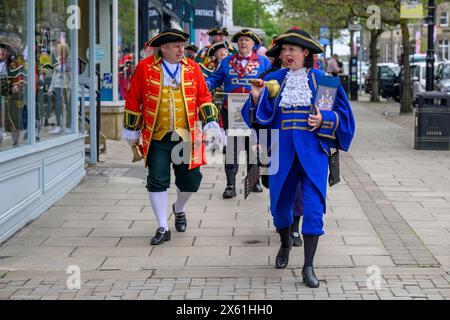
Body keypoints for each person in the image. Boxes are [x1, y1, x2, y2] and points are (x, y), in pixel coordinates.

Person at [242, 28, 355, 288]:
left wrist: (325, 119)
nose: (286, 54)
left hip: (314, 155)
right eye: (283, 50)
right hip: (281, 155)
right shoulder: (273, 79)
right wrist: (256, 97)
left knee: (314, 209)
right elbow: (257, 119)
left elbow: (346, 118)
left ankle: (308, 266)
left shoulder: (323, 82)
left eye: (291, 50)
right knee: (280, 208)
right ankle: (284, 244)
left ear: (306, 53)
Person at [121, 29, 221, 246]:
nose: (180, 50)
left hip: (186, 135)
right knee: (157, 180)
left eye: (182, 46)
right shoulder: (145, 67)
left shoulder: (192, 68)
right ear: (163, 48)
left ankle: (179, 208)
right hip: (156, 136)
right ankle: (162, 226)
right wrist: (132, 130)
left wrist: (210, 121)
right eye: (176, 46)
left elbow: (204, 95)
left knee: (191, 181)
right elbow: (133, 97)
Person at [206, 29, 271, 199]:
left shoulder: (263, 62)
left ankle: (253, 181)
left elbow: (272, 83)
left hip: (253, 111)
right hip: (232, 110)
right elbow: (215, 78)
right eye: (240, 40)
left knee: (253, 146)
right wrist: (206, 84)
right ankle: (230, 185)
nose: (243, 43)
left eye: (246, 41)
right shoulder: (227, 61)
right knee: (232, 148)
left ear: (253, 44)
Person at [0, 42, 26, 146]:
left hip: (12, 97)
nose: (2, 52)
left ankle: (15, 142)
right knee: (2, 120)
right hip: (2, 96)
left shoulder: (15, 63)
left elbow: (19, 77)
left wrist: (16, 86)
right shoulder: (1, 63)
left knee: (14, 119)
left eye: (4, 50)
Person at [48, 42, 71, 135]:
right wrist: (51, 87)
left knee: (68, 105)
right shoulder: (57, 60)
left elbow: (71, 72)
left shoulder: (69, 60)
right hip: (57, 84)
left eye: (60, 50)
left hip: (66, 85)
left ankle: (69, 125)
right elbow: (54, 74)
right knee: (58, 104)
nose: (59, 51)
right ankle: (58, 125)